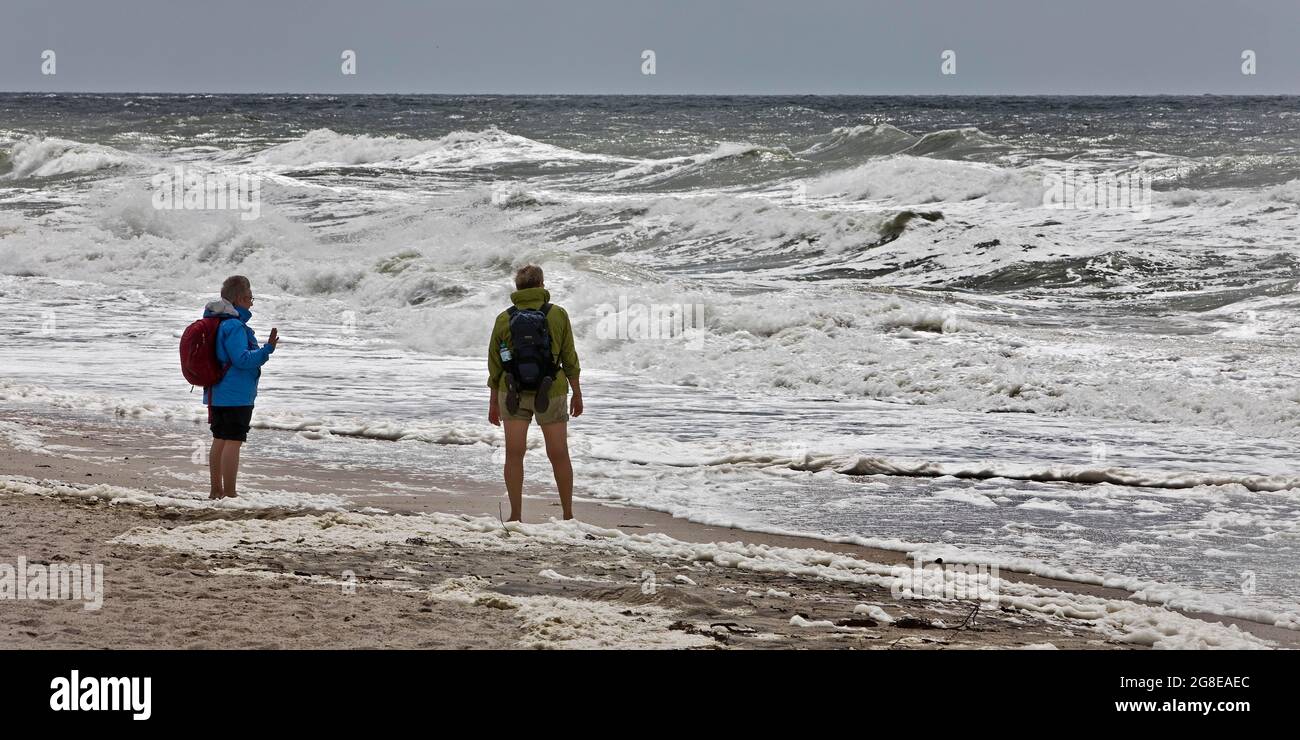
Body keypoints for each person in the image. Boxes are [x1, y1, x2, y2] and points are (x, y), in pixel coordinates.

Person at [487, 265, 582, 521]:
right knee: (558, 453)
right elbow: (569, 356)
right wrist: (577, 392)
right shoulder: (557, 314)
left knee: (514, 453)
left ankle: (515, 515)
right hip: (551, 390)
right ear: (541, 285)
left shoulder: (504, 318)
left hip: (512, 391)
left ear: (517, 289)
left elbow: (495, 363)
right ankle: (568, 515)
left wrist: (493, 401)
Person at [204, 275, 278, 499]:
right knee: (233, 441)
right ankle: (230, 492)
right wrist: (267, 350)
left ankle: (216, 490)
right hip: (235, 394)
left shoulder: (218, 321)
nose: (252, 303)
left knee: (220, 439)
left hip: (218, 391)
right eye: (249, 297)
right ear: (238, 298)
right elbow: (242, 360)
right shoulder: (235, 326)